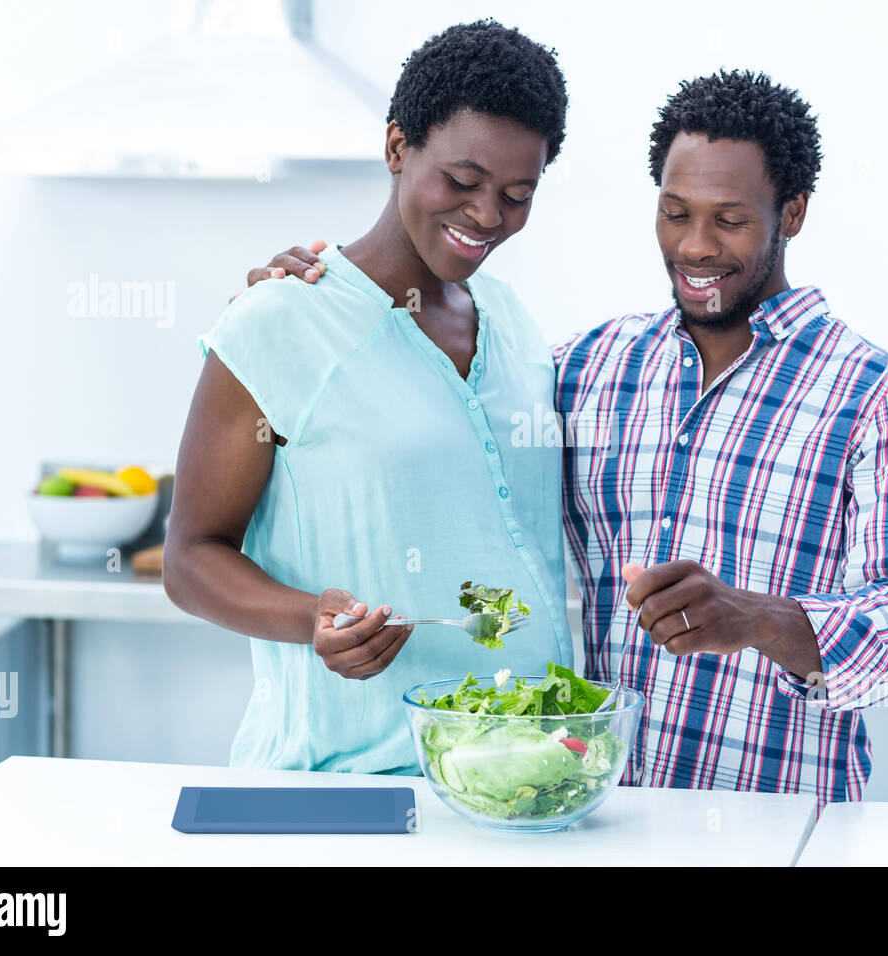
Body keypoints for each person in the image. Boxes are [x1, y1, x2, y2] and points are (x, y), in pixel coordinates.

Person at [240, 70, 888, 806]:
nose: (695, 246)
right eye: (675, 214)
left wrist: (759, 618)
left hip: (782, 820)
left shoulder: (880, 398)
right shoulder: (587, 370)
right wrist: (306, 305)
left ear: (792, 213)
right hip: (597, 815)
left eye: (729, 220)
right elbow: (435, 409)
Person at [162, 20, 573, 776]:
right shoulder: (280, 320)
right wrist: (311, 617)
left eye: (518, 194)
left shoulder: (513, 324)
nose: (486, 216)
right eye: (461, 180)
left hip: (516, 783)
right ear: (396, 148)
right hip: (344, 788)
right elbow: (189, 558)